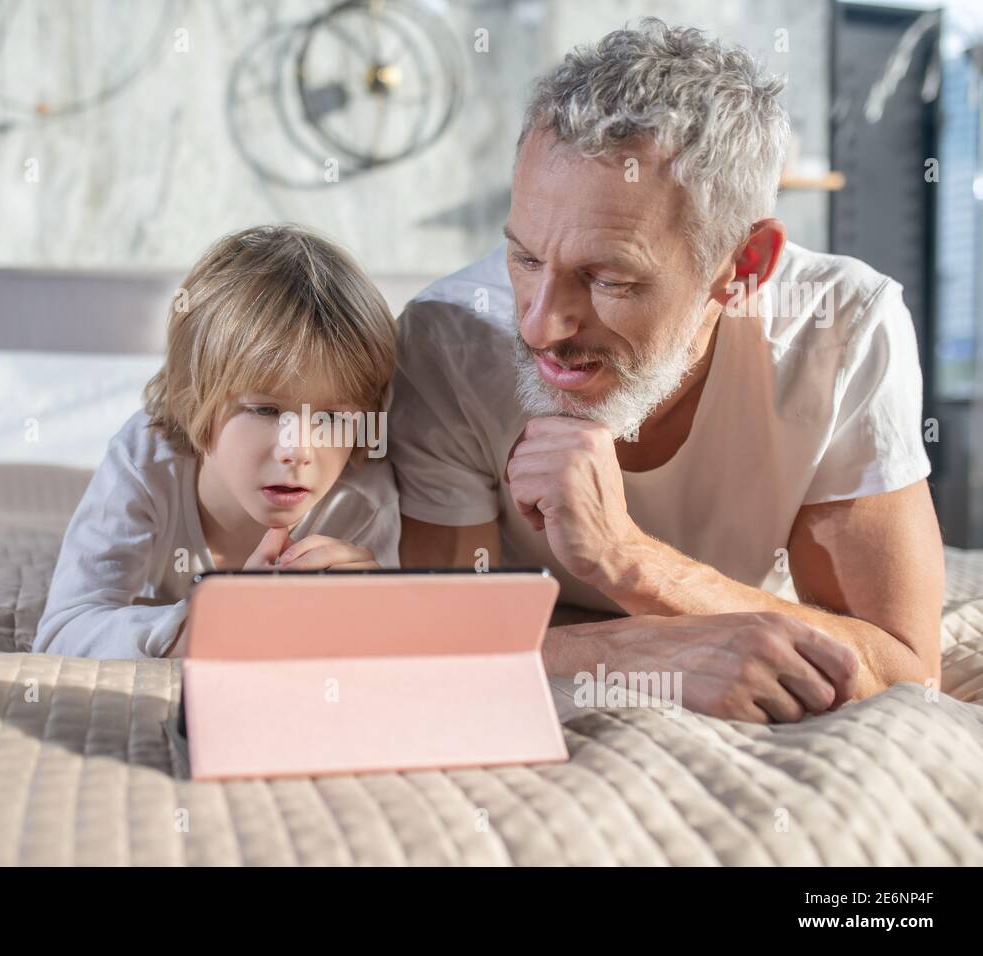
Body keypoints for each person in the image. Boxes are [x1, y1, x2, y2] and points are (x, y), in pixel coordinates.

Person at [389, 19, 943, 722]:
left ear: (743, 268)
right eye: (526, 259)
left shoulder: (843, 327)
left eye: (608, 278)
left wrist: (624, 557)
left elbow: (903, 670)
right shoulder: (452, 337)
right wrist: (634, 656)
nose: (539, 325)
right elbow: (433, 636)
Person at [35, 223, 399, 659]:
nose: (298, 450)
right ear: (194, 403)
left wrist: (373, 618)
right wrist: (212, 622)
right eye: (265, 410)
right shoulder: (145, 461)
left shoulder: (362, 499)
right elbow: (63, 632)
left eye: (331, 417)